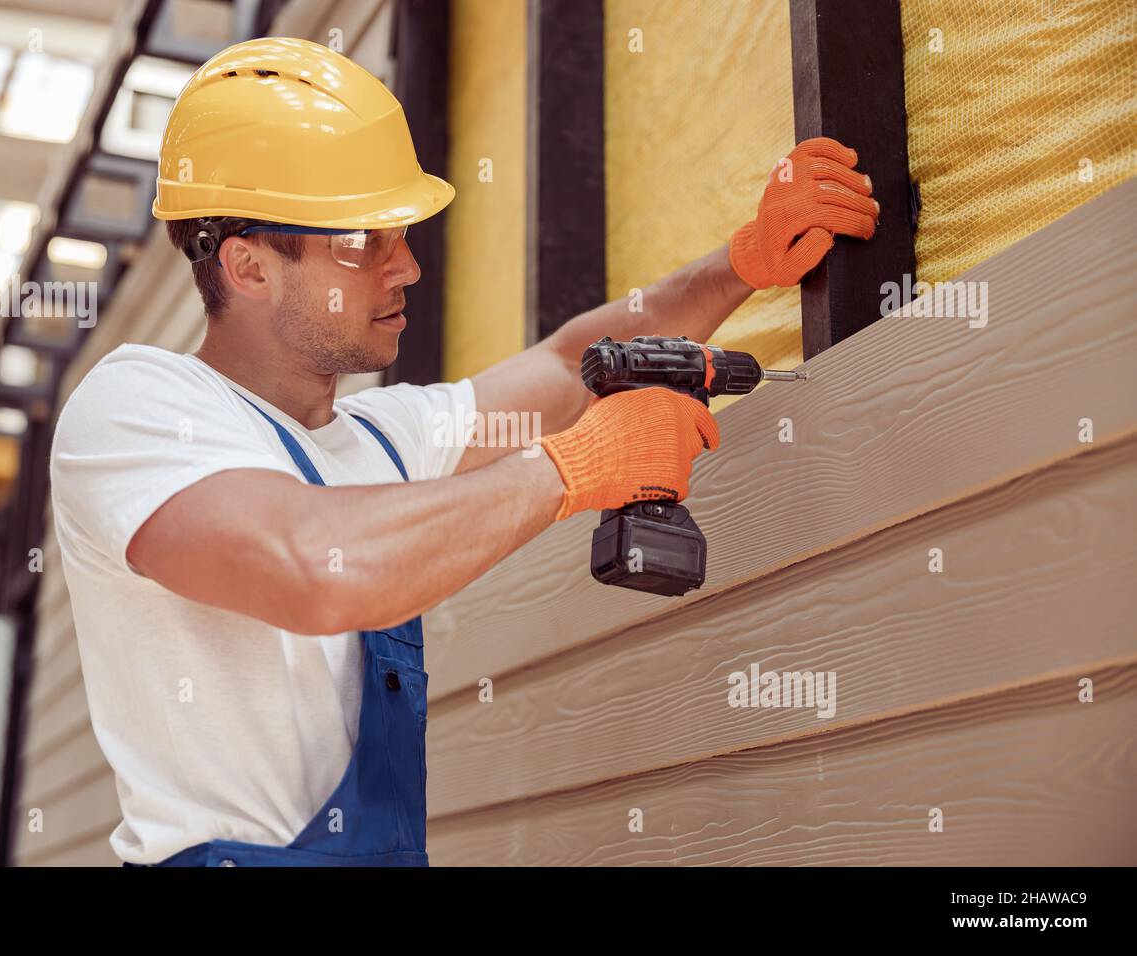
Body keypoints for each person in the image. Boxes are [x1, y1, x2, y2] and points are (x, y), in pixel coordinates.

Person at [49, 37, 878, 867]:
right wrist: (572, 468)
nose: (406, 264)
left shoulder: (380, 438)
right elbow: (314, 565)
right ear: (249, 266)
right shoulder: (137, 409)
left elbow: (565, 367)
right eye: (362, 241)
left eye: (400, 233)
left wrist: (741, 264)